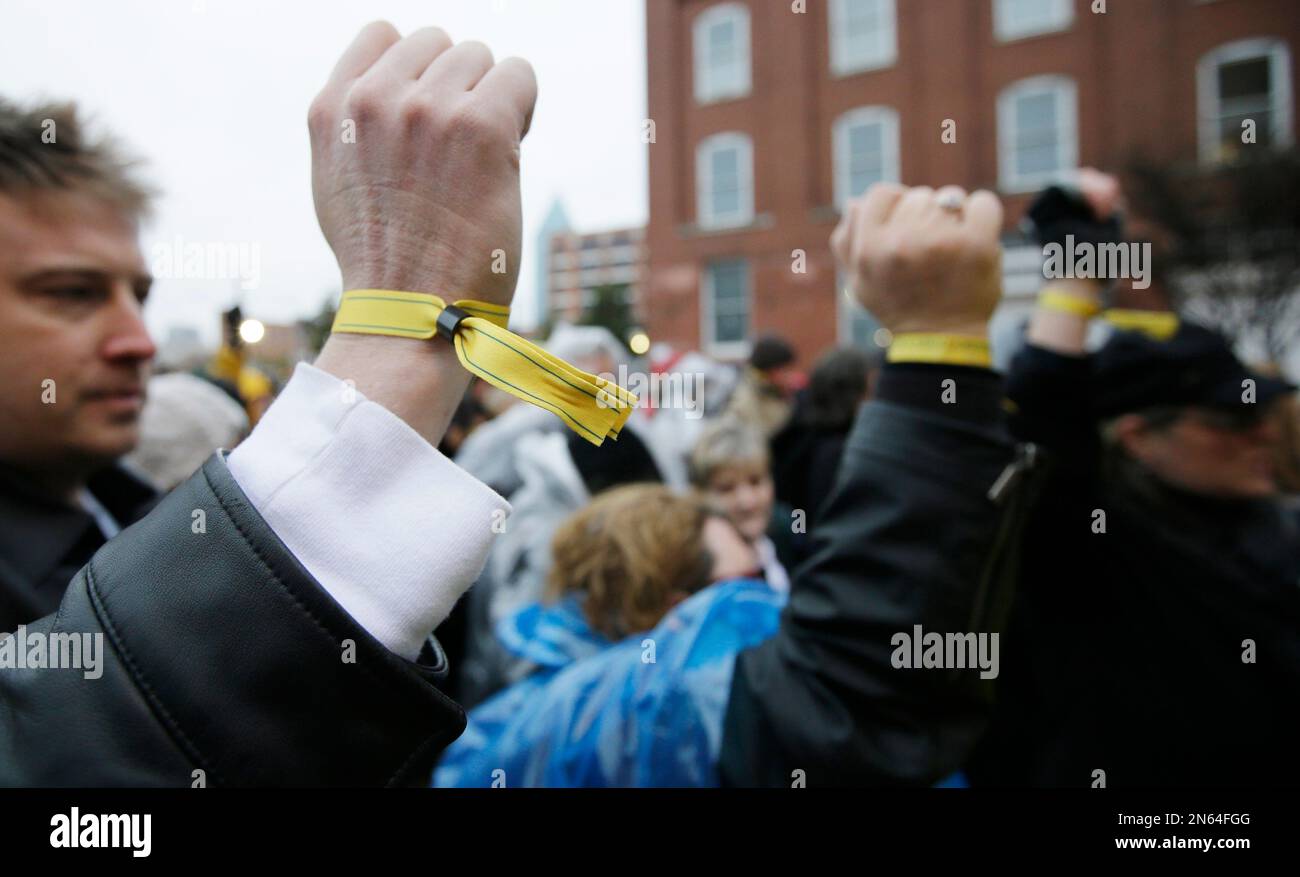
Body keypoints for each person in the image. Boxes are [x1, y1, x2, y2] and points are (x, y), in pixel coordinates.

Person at [1, 22, 542, 785]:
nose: (138, 340)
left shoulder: (144, 518)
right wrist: (404, 320)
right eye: (70, 293)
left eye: (140, 296)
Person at [967, 170, 1300, 787]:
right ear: (1139, 436)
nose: (1263, 434)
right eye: (1231, 418)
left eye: (1261, 410)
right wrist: (1075, 278)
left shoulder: (1270, 524)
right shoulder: (1096, 548)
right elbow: (1044, 422)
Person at [435, 483, 779, 786]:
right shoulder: (631, 723)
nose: (768, 596)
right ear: (679, 612)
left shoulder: (517, 714)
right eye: (747, 582)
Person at [771, 346, 878, 534]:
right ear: (851, 394)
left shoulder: (802, 434)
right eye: (869, 392)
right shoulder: (835, 453)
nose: (875, 401)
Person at [689, 418, 791, 591]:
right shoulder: (701, 570)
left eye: (755, 482)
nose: (747, 502)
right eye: (726, 489)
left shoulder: (780, 538)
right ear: (700, 494)